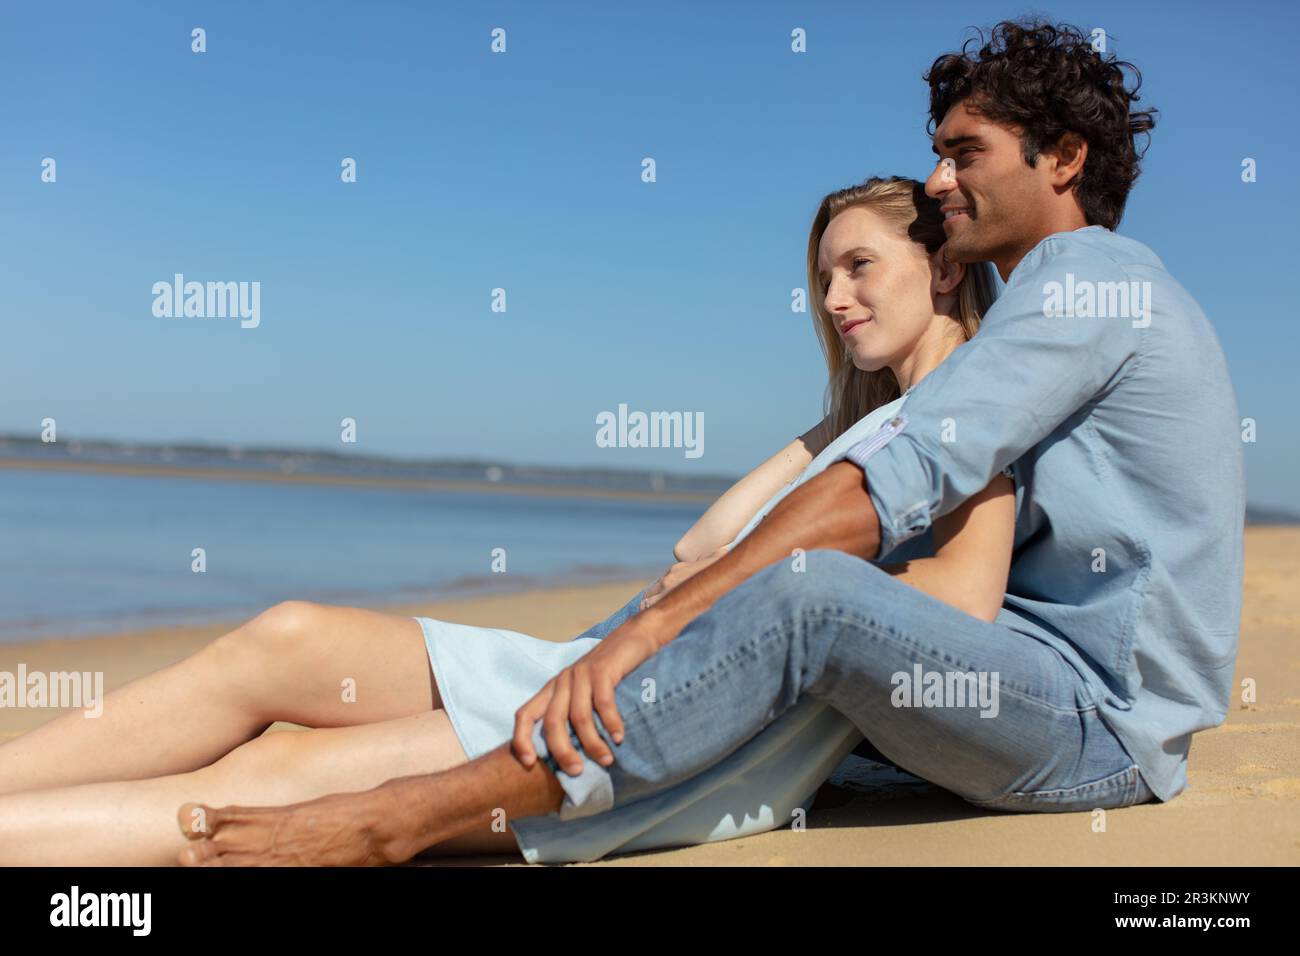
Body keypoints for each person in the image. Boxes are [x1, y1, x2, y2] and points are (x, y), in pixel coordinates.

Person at [165, 19, 1243, 867]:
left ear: (1063, 157)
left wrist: (648, 633)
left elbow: (888, 484)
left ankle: (398, 821)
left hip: (1094, 727)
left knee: (808, 591)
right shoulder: (1050, 308)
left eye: (965, 154)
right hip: (1018, 695)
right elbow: (871, 455)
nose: (943, 180)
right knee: (755, 632)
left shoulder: (1089, 281)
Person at [0, 177, 1001, 865]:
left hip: (679, 731)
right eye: (822, 277)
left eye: (860, 267)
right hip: (604, 656)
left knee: (270, 775)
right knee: (285, 636)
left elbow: (959, 618)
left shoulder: (971, 431)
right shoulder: (875, 430)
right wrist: (840, 414)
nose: (833, 297)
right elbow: (696, 550)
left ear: (945, 267)